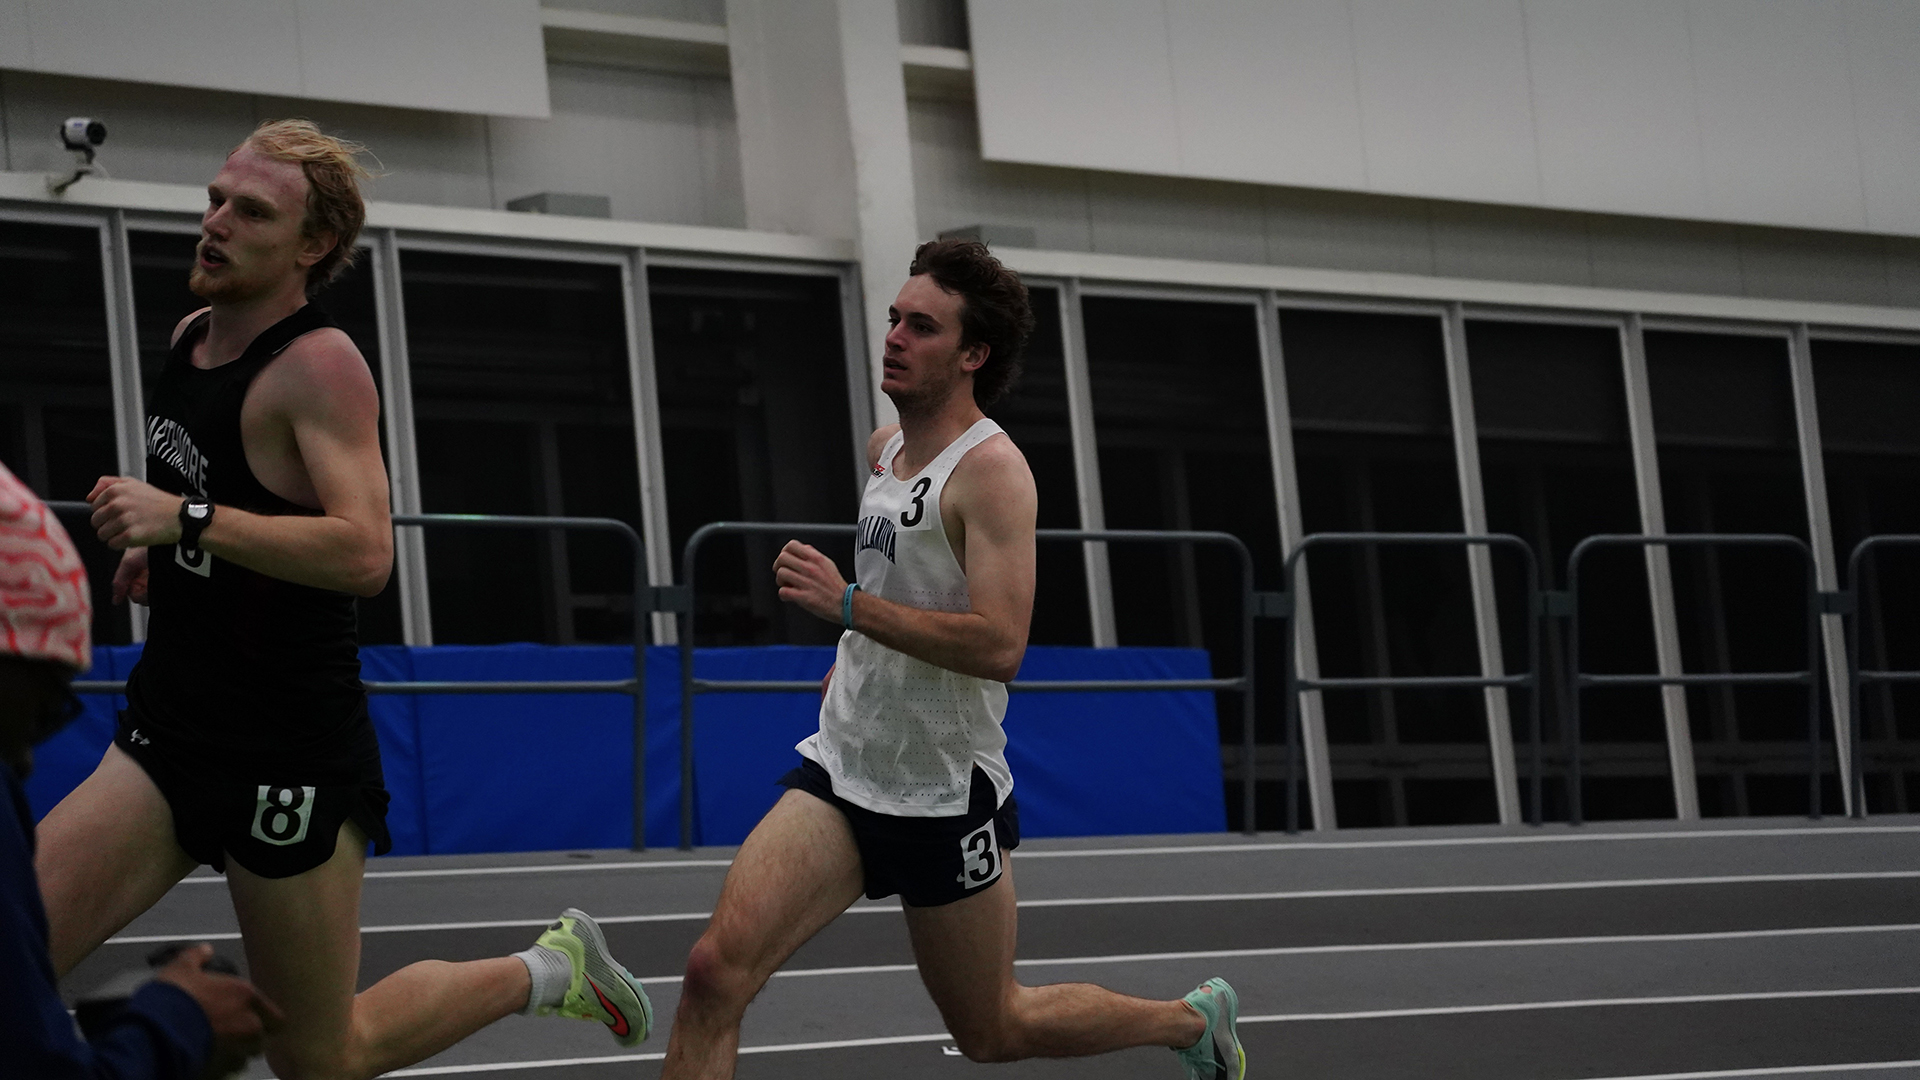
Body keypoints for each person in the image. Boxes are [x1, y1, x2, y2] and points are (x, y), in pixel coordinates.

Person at [33, 119, 651, 1080]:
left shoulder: (321, 365)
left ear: (312, 245)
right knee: (13, 957)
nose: (216, 223)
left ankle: (547, 967)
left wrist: (186, 520)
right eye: (215, 200)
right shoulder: (191, 336)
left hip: (288, 755)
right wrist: (170, 558)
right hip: (167, 732)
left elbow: (365, 552)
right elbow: (231, 506)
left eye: (251, 211)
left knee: (319, 1059)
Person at [659, 239, 1246, 1079]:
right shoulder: (885, 449)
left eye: (922, 326)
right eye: (895, 318)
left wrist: (850, 609)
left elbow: (1001, 645)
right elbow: (905, 576)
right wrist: (858, 644)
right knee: (713, 972)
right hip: (847, 766)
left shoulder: (996, 474)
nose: (895, 336)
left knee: (992, 1030)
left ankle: (1190, 1023)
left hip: (940, 792)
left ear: (973, 354)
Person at [1, 459, 284, 1080]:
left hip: (237, 734)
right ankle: (543, 971)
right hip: (187, 734)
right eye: (37, 712)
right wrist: (174, 1021)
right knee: (322, 1055)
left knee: (323, 1053)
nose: (24, 760)